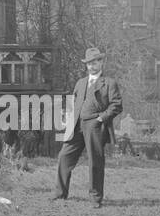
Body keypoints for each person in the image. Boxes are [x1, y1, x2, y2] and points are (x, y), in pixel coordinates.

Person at [52, 47, 123, 207]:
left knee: (95, 161)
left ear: (101, 62)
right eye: (89, 63)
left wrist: (101, 118)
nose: (92, 66)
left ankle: (95, 198)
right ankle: (60, 194)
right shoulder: (80, 83)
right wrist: (68, 117)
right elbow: (73, 103)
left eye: (95, 62)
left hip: (95, 126)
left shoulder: (109, 83)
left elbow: (116, 105)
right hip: (76, 125)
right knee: (64, 156)